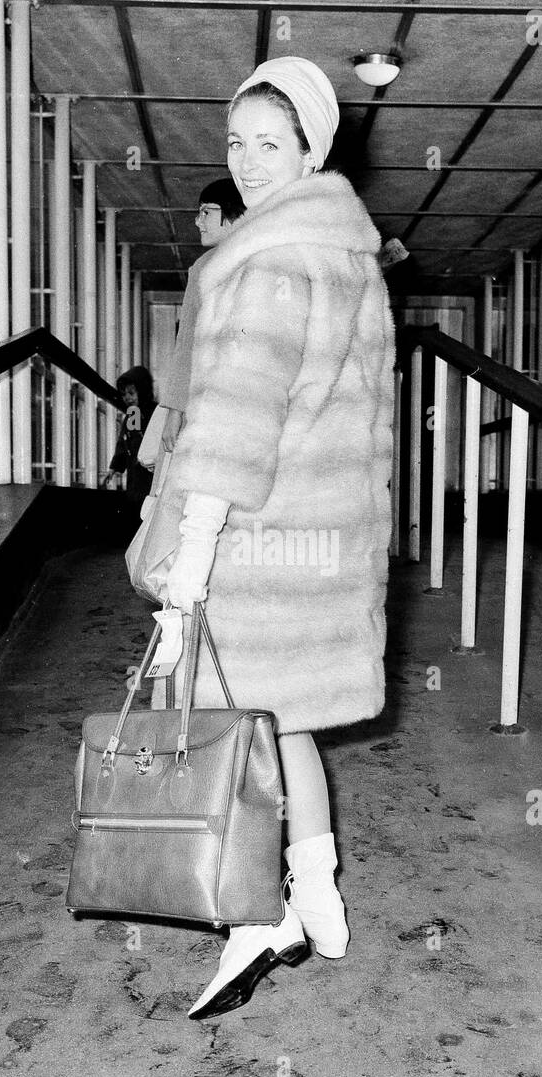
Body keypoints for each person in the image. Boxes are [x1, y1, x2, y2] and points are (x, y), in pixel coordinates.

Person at [159, 56, 395, 1020]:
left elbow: (232, 423)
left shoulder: (265, 259)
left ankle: (252, 918)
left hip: (255, 541)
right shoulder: (348, 255)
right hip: (320, 538)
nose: (248, 163)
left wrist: (189, 564)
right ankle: (320, 898)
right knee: (283, 721)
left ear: (311, 149)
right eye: (234, 143)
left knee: (226, 729)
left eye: (270, 144)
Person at [138, 177, 247, 468]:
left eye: (206, 212)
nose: (198, 222)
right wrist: (175, 411)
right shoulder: (203, 268)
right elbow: (187, 345)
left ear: (237, 213)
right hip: (210, 406)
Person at [105, 364, 156, 504]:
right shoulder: (132, 415)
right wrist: (115, 467)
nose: (127, 398)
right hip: (135, 476)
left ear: (143, 391)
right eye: (124, 394)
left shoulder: (155, 412)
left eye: (131, 393)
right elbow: (124, 442)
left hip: (151, 474)